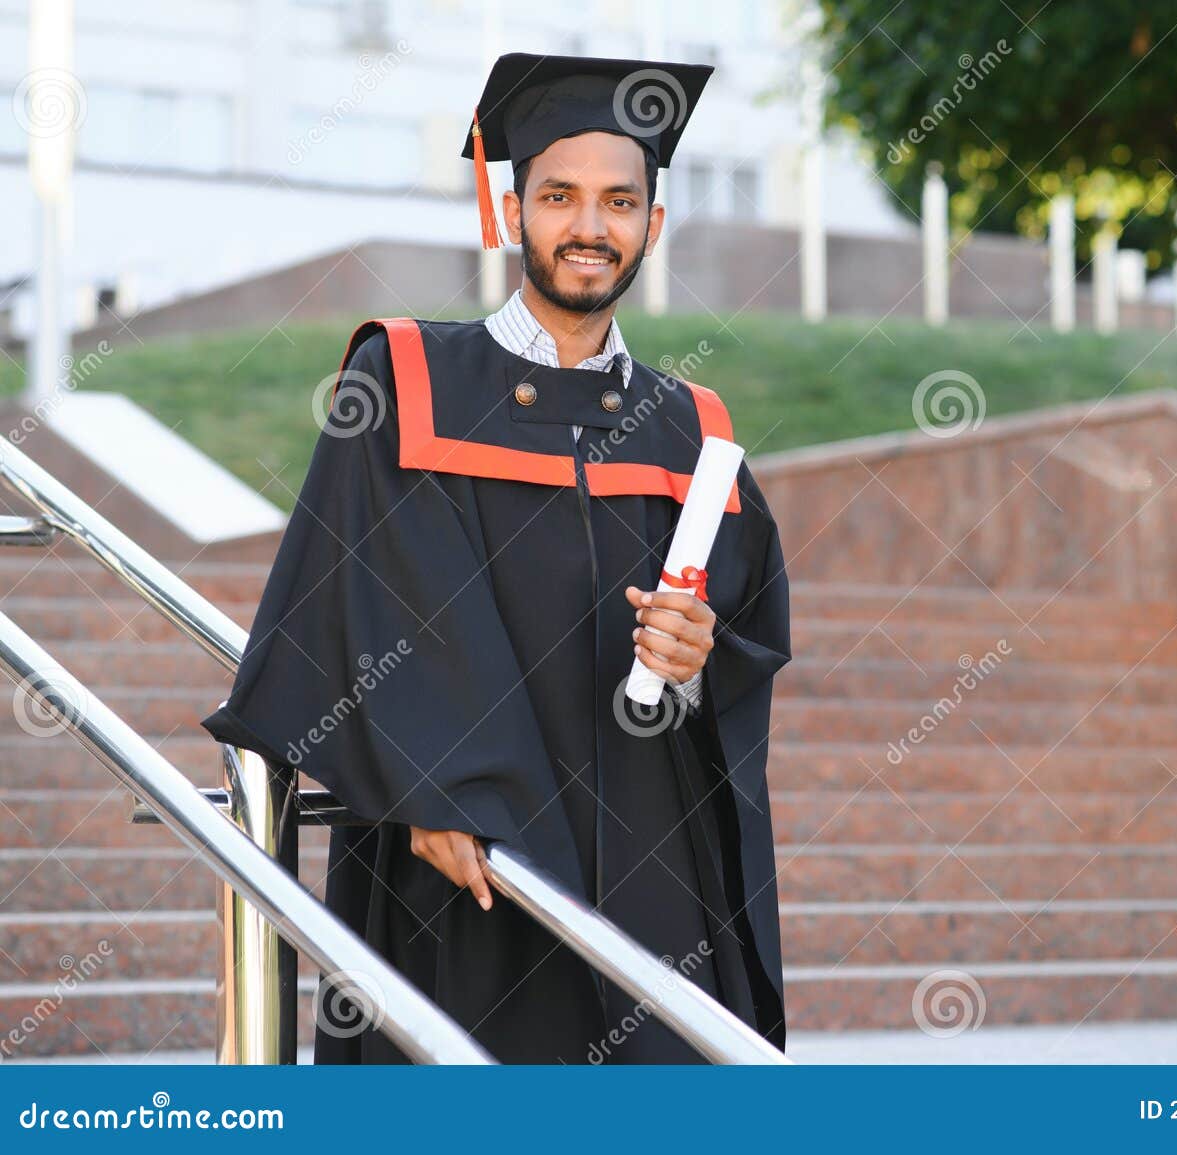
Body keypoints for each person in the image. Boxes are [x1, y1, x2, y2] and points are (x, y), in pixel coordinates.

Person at [200, 53, 791, 1064]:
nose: (589, 228)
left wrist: (697, 659)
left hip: (653, 858)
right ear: (511, 209)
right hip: (461, 857)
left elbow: (743, 632)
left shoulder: (688, 428)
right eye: (559, 197)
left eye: (618, 201)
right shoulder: (408, 378)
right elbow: (353, 594)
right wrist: (435, 783)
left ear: (653, 225)